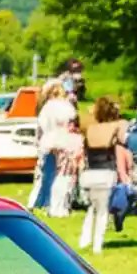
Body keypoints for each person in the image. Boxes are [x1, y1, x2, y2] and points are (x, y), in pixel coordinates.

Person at [78, 97, 131, 252]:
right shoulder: (116, 126)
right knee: (102, 211)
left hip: (89, 175)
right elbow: (125, 140)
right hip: (106, 174)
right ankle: (97, 245)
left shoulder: (90, 129)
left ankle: (84, 239)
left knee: (91, 208)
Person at [31, 80, 76, 211]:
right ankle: (58, 204)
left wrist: (38, 142)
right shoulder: (67, 107)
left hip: (47, 142)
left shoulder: (47, 107)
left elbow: (41, 127)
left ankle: (39, 201)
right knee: (62, 175)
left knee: (43, 175)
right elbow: (72, 124)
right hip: (64, 142)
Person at [49, 114, 83, 218]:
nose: (69, 126)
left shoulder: (78, 138)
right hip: (61, 166)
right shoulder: (61, 136)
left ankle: (63, 209)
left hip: (70, 167)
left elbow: (79, 152)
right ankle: (55, 208)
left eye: (71, 124)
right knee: (58, 187)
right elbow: (53, 148)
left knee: (67, 188)